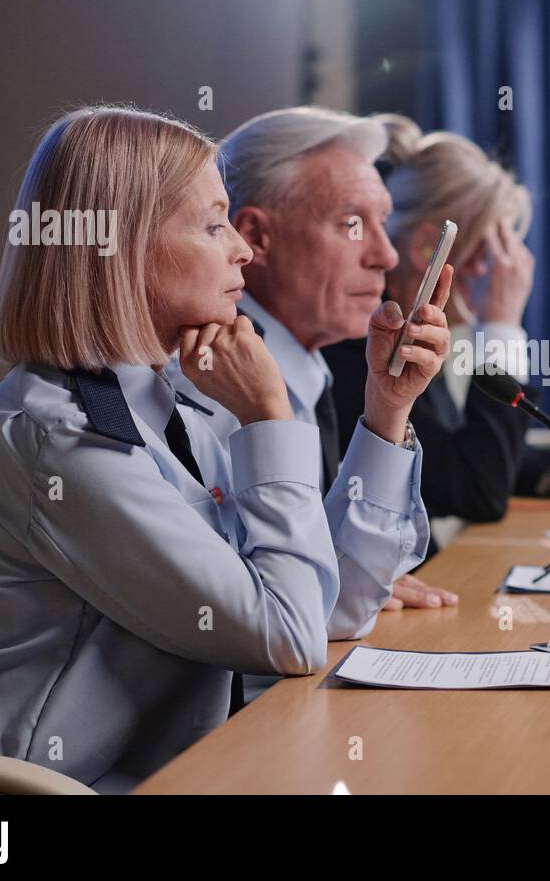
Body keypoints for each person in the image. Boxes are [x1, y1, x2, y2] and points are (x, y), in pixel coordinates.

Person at [0, 105, 447, 792]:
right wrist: (270, 415)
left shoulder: (170, 404)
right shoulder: (65, 439)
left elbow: (329, 606)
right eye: (212, 224)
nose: (241, 249)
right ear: (120, 248)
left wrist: (387, 413)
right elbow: (290, 637)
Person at [322, 114, 550, 556]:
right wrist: (502, 327)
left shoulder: (414, 328)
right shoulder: (356, 345)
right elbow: (478, 487)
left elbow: (459, 456)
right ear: (425, 249)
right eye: (485, 247)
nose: (493, 268)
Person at [167, 106, 460, 610]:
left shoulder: (308, 365)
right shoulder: (208, 385)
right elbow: (284, 616)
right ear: (256, 237)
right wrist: (350, 589)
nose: (386, 255)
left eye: (383, 223)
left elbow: (342, 592)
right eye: (352, 224)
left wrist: (387, 411)